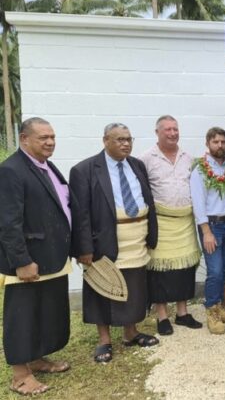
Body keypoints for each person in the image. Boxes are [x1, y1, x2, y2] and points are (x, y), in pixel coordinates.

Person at [70, 123, 160, 364]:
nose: (126, 144)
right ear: (105, 141)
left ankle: (131, 332)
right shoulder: (85, 170)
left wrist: (151, 234)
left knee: (134, 288)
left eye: (129, 139)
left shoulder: (137, 165)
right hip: (104, 240)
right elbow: (81, 214)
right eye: (120, 139)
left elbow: (148, 200)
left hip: (136, 239)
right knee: (102, 288)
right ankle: (104, 340)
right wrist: (84, 248)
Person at [0, 118, 74, 395]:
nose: (50, 142)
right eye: (43, 137)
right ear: (24, 139)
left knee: (45, 312)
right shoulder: (10, 170)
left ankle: (36, 358)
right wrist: (21, 261)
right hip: (28, 260)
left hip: (52, 257)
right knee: (23, 316)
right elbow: (8, 223)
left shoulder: (46, 166)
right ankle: (20, 375)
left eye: (52, 137)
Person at [140, 115, 202, 335]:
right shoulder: (146, 159)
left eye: (175, 129)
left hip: (185, 222)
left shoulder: (189, 158)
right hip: (161, 223)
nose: (173, 133)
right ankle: (162, 316)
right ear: (157, 132)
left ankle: (183, 313)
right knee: (161, 271)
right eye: (167, 129)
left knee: (185, 269)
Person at [190, 127, 225, 334]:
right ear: (207, 144)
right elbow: (198, 202)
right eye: (216, 142)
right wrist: (206, 232)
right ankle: (211, 311)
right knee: (215, 271)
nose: (220, 145)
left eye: (223, 142)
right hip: (212, 226)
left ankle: (219, 307)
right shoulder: (200, 169)